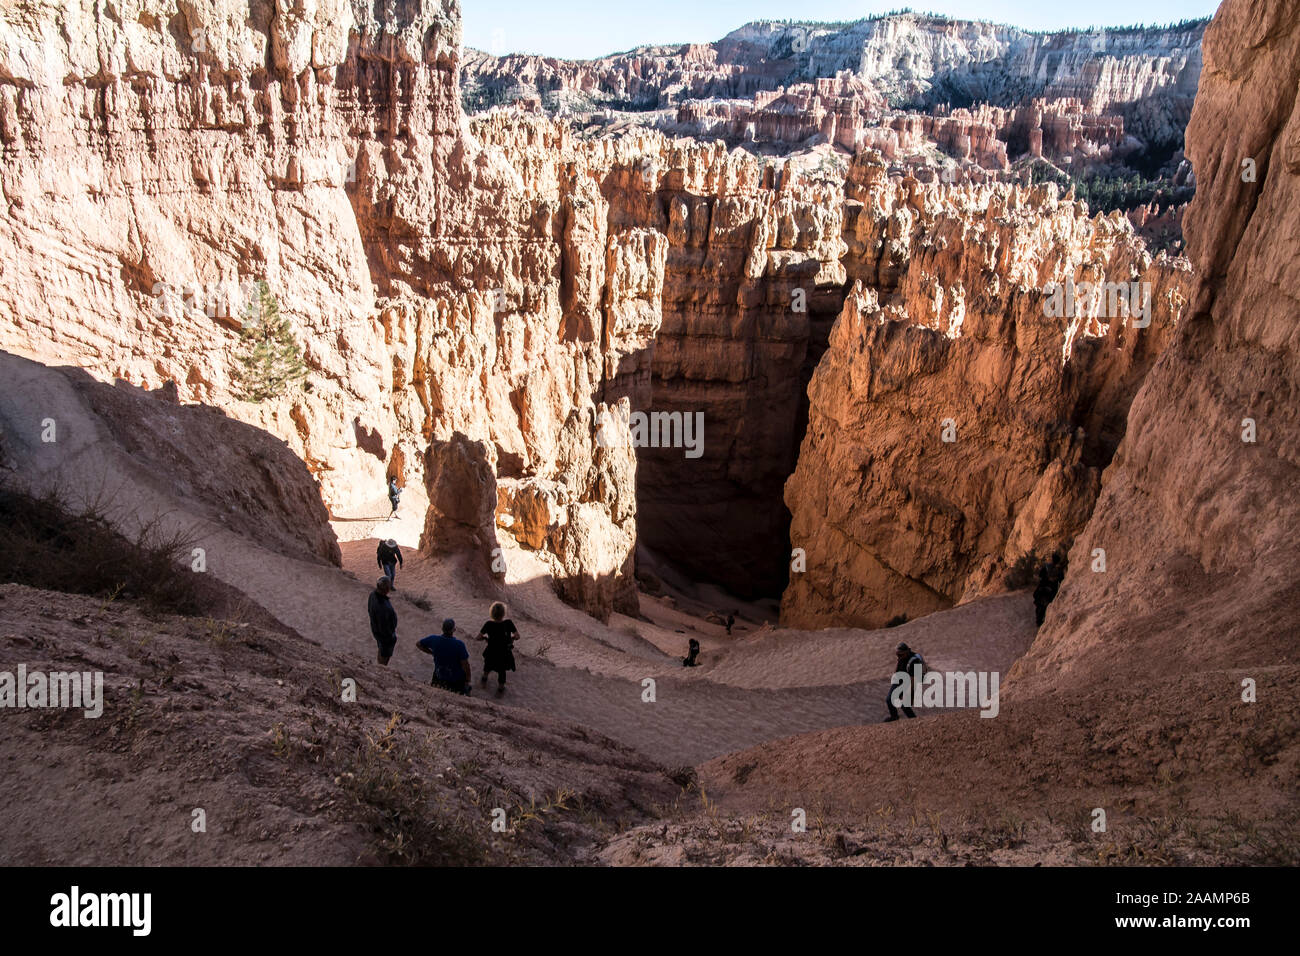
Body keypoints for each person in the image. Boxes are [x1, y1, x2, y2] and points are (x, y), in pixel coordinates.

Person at [418, 619, 471, 695]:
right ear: (454, 630)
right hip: (455, 680)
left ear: (442, 629)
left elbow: (418, 644)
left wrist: (431, 652)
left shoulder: (434, 639)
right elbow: (465, 664)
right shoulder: (459, 645)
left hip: (439, 675)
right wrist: (468, 679)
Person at [477, 602, 518, 695]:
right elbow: (517, 636)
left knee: (487, 666)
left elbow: (478, 637)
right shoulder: (508, 623)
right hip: (504, 652)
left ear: (492, 613)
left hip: (491, 651)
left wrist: (485, 638)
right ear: (503, 613)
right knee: (502, 671)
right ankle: (500, 688)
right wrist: (512, 639)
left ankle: (484, 680)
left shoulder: (488, 624)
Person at [884, 641, 924, 721]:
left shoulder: (915, 661)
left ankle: (914, 720)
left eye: (900, 655)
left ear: (907, 652)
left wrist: (908, 694)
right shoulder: (902, 656)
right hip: (901, 679)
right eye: (897, 655)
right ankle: (894, 717)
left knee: (904, 704)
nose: (898, 657)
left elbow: (915, 681)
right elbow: (897, 669)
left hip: (911, 681)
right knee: (889, 699)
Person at [367, 576, 398, 666]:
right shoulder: (383, 607)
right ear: (387, 589)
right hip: (385, 636)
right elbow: (384, 628)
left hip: (376, 630)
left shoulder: (373, 595)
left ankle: (380, 664)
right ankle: (381, 668)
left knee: (381, 649)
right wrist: (390, 636)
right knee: (384, 654)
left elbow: (369, 610)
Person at [1033, 551, 1066, 627]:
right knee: (1046, 605)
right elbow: (1062, 580)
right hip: (1050, 589)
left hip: (1043, 588)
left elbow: (1040, 575)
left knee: (1040, 605)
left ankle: (1039, 621)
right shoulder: (1058, 570)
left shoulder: (1046, 567)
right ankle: (1041, 620)